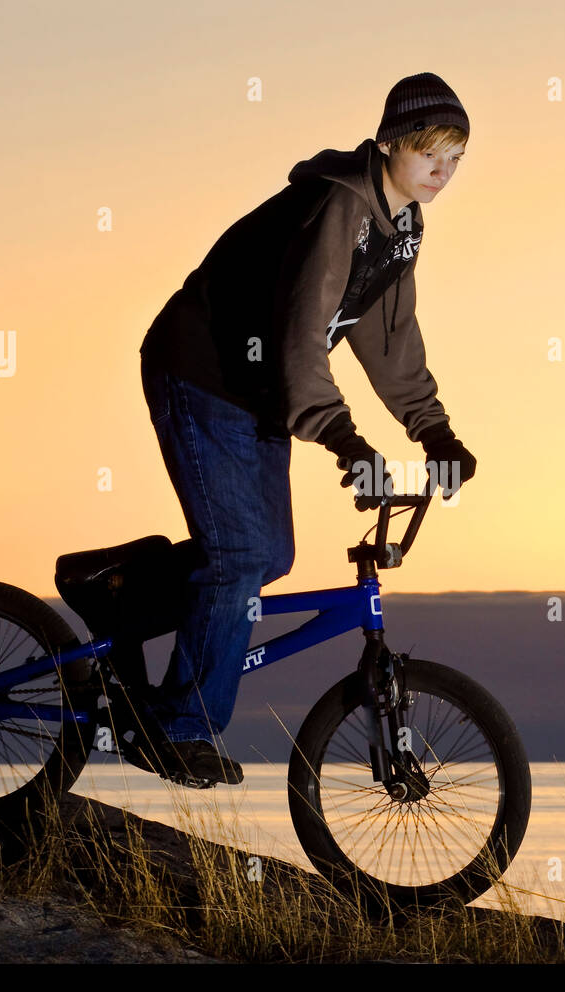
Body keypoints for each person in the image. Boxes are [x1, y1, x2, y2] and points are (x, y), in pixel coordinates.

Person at [134, 72, 478, 785]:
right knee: (237, 558)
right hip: (202, 370)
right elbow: (300, 339)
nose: (443, 171)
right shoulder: (339, 208)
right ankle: (176, 729)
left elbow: (391, 342)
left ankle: (120, 592)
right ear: (390, 143)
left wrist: (434, 430)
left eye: (457, 157)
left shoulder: (401, 229)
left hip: (259, 395)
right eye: (430, 154)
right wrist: (345, 440)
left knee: (271, 558)